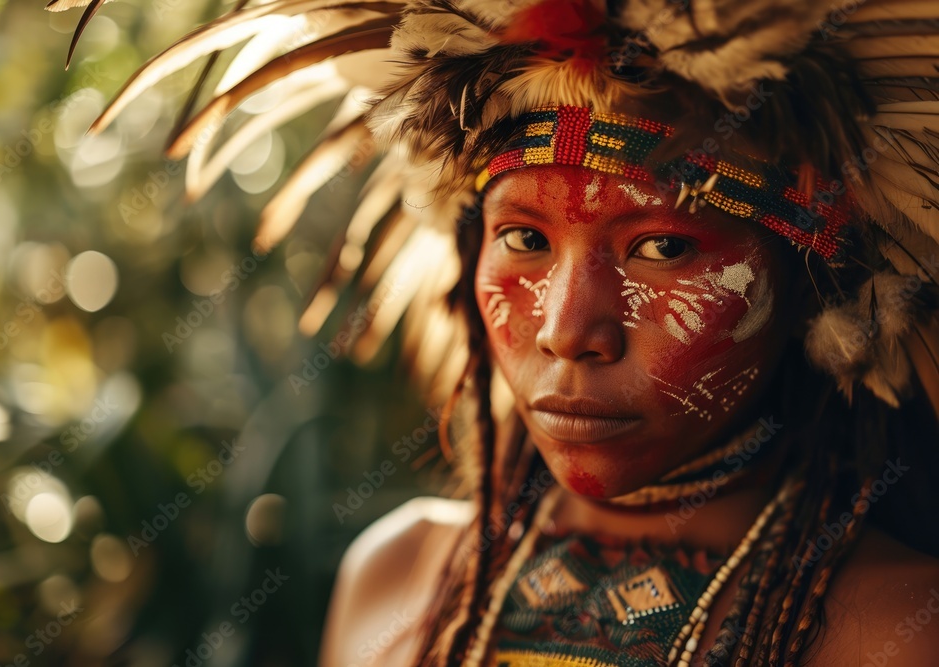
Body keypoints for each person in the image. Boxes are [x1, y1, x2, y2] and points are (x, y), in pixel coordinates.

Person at [54, 0, 939, 664]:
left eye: (662, 246)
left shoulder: (897, 628)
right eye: (524, 239)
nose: (567, 328)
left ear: (819, 283)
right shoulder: (397, 580)